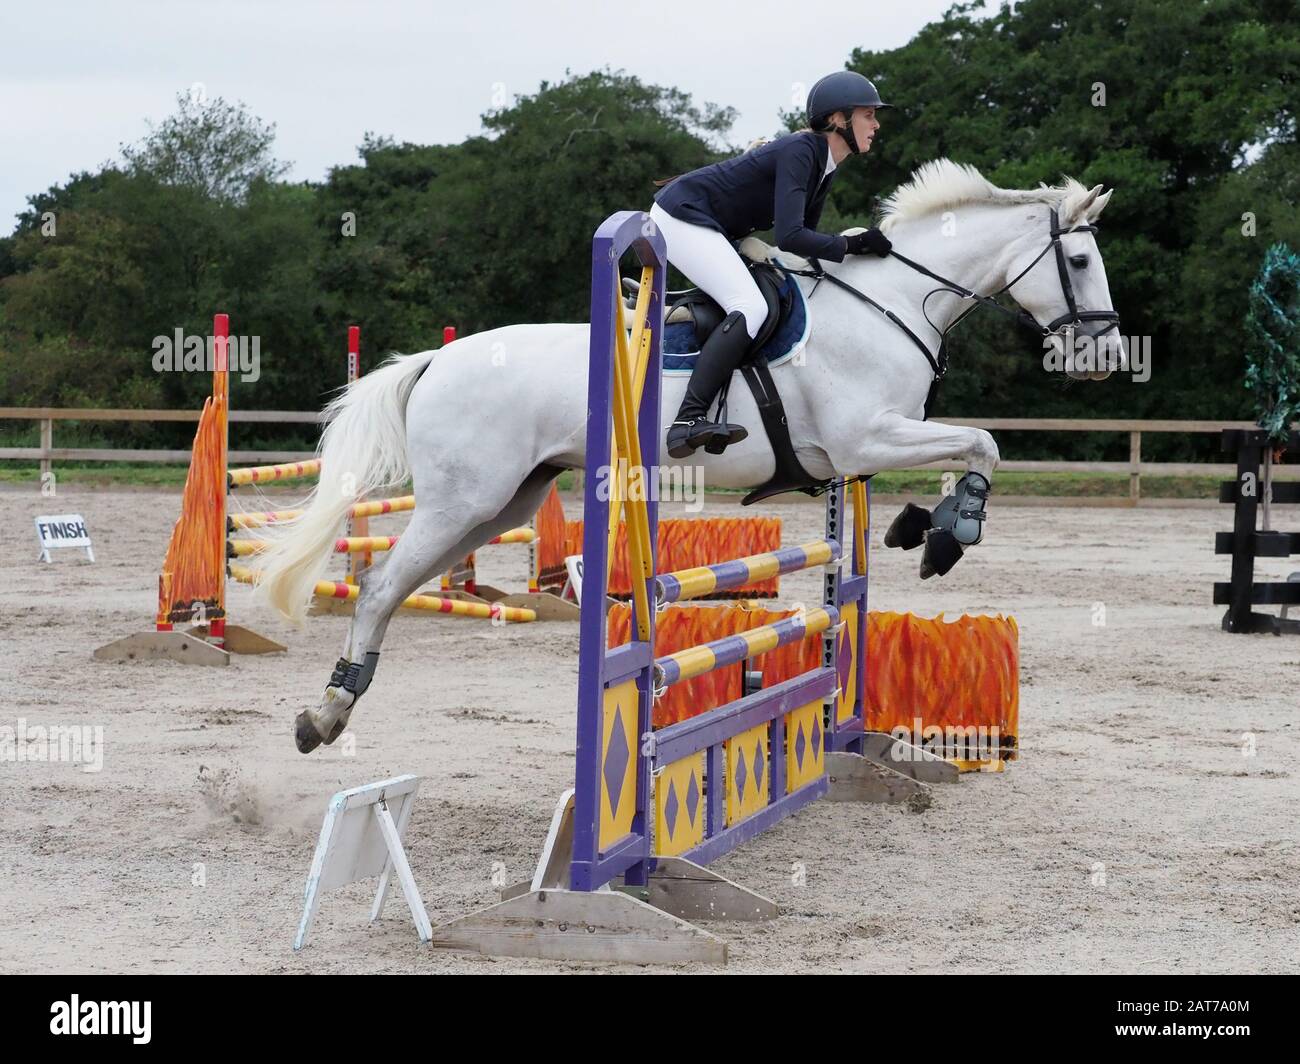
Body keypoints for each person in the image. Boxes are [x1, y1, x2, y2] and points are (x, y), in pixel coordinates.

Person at [650, 71, 894, 459]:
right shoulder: (802, 151)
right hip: (679, 216)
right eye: (868, 115)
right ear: (838, 119)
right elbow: (792, 236)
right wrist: (852, 243)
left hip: (709, 225)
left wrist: (855, 249)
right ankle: (686, 422)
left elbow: (802, 241)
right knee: (751, 306)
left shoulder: (825, 164)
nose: (877, 124)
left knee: (763, 298)